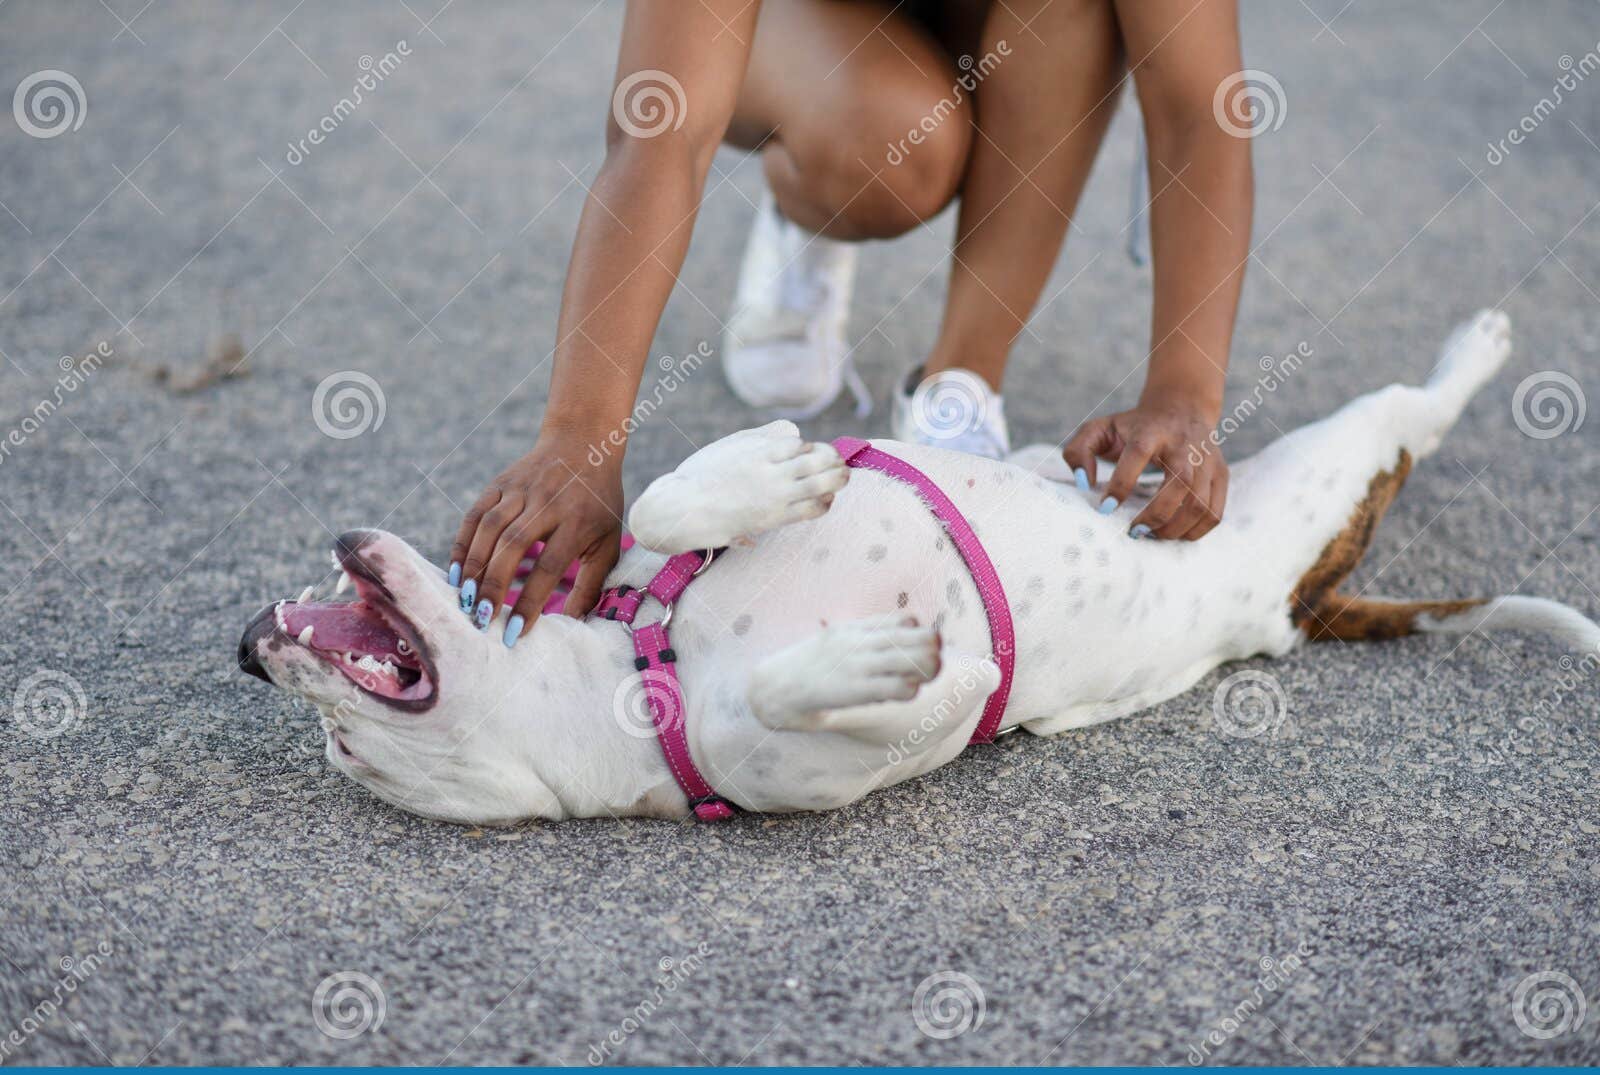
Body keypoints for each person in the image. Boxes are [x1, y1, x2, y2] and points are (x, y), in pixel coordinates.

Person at [450, 0, 1252, 648]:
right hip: (813, 38)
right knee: (888, 147)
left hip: (1019, 35)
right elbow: (664, 131)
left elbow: (1198, 108)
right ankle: (808, 206)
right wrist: (580, 436)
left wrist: (1184, 396)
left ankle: (960, 383)